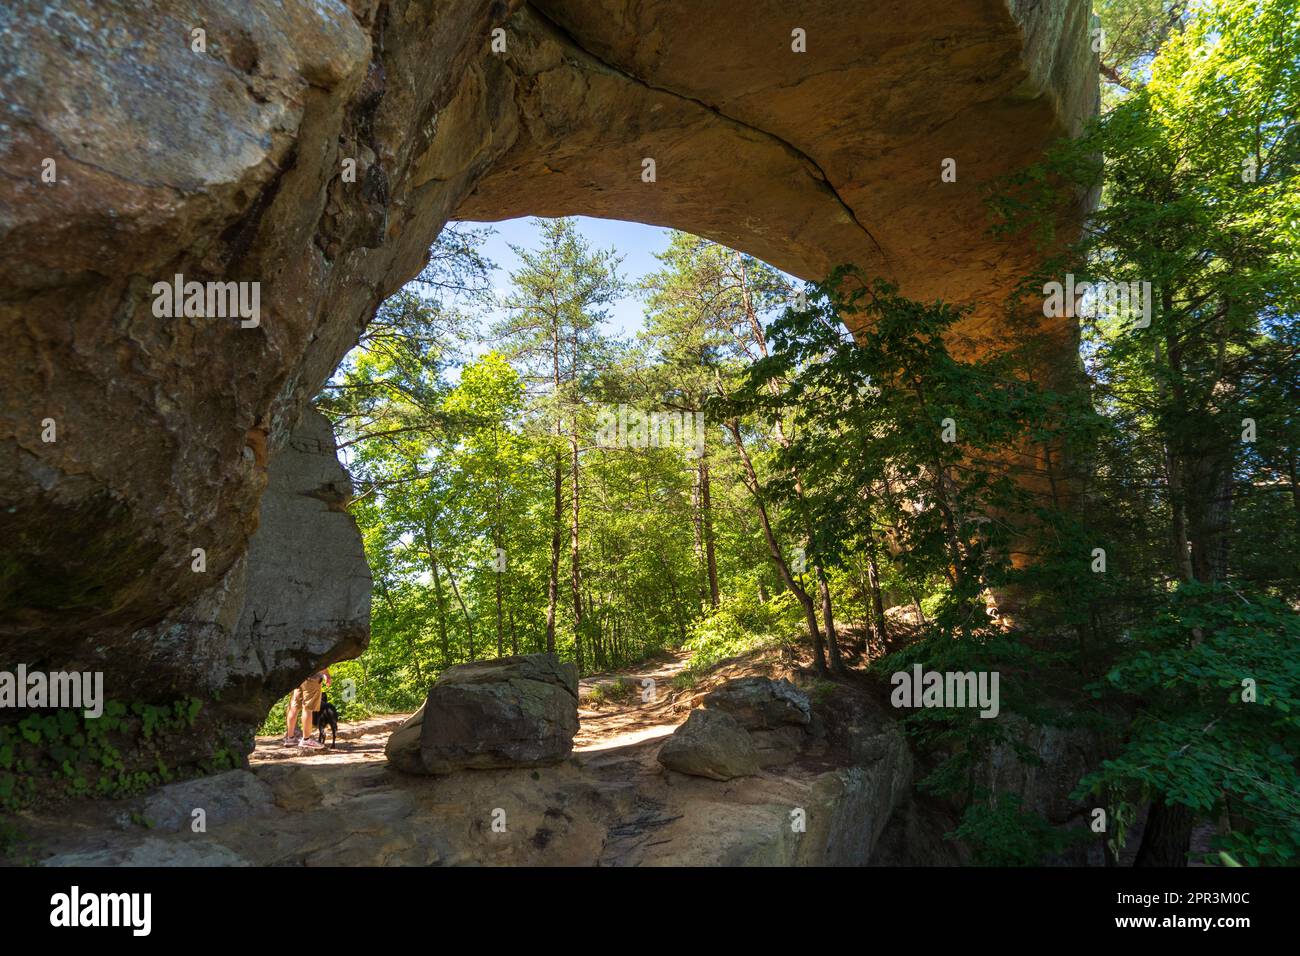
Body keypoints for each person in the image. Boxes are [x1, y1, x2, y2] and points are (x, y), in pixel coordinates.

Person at [282, 669, 331, 750]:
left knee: (294, 706)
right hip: (312, 677)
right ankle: (306, 739)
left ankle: (290, 738)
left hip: (297, 676)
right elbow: (319, 659)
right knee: (308, 708)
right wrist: (326, 673)